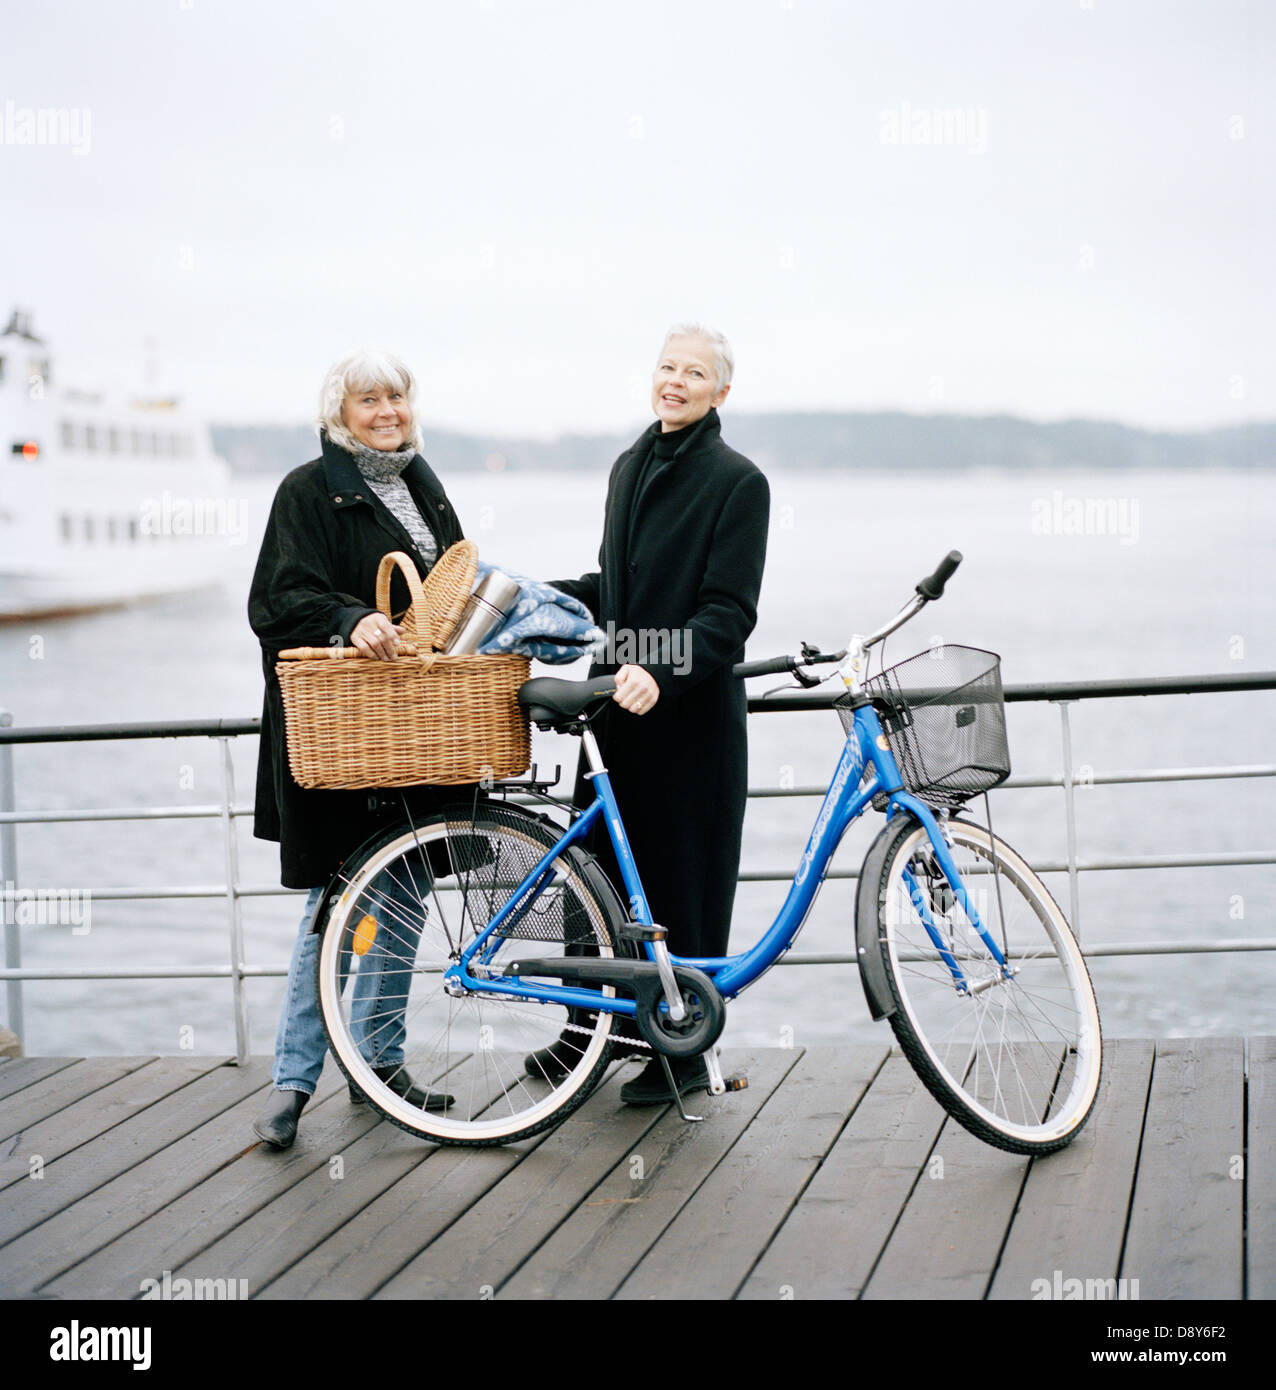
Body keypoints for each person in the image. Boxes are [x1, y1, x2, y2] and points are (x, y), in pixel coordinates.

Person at [543, 323, 770, 1104]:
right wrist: (541, 601)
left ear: (721, 392)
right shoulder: (627, 464)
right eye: (667, 366)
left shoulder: (738, 482)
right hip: (613, 712)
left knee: (680, 885)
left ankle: (675, 1050)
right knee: (595, 875)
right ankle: (586, 1035)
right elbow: (615, 586)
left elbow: (727, 616)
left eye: (694, 372)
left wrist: (657, 668)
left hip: (688, 722)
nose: (675, 380)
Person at [248, 349, 465, 1148]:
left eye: (398, 396)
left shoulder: (423, 486)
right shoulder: (305, 491)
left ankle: (380, 1067)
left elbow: (449, 591)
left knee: (404, 896)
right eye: (369, 399)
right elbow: (275, 601)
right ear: (340, 413)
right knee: (333, 908)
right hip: (341, 734)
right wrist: (349, 618)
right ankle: (292, 1083)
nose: (387, 411)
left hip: (414, 727)